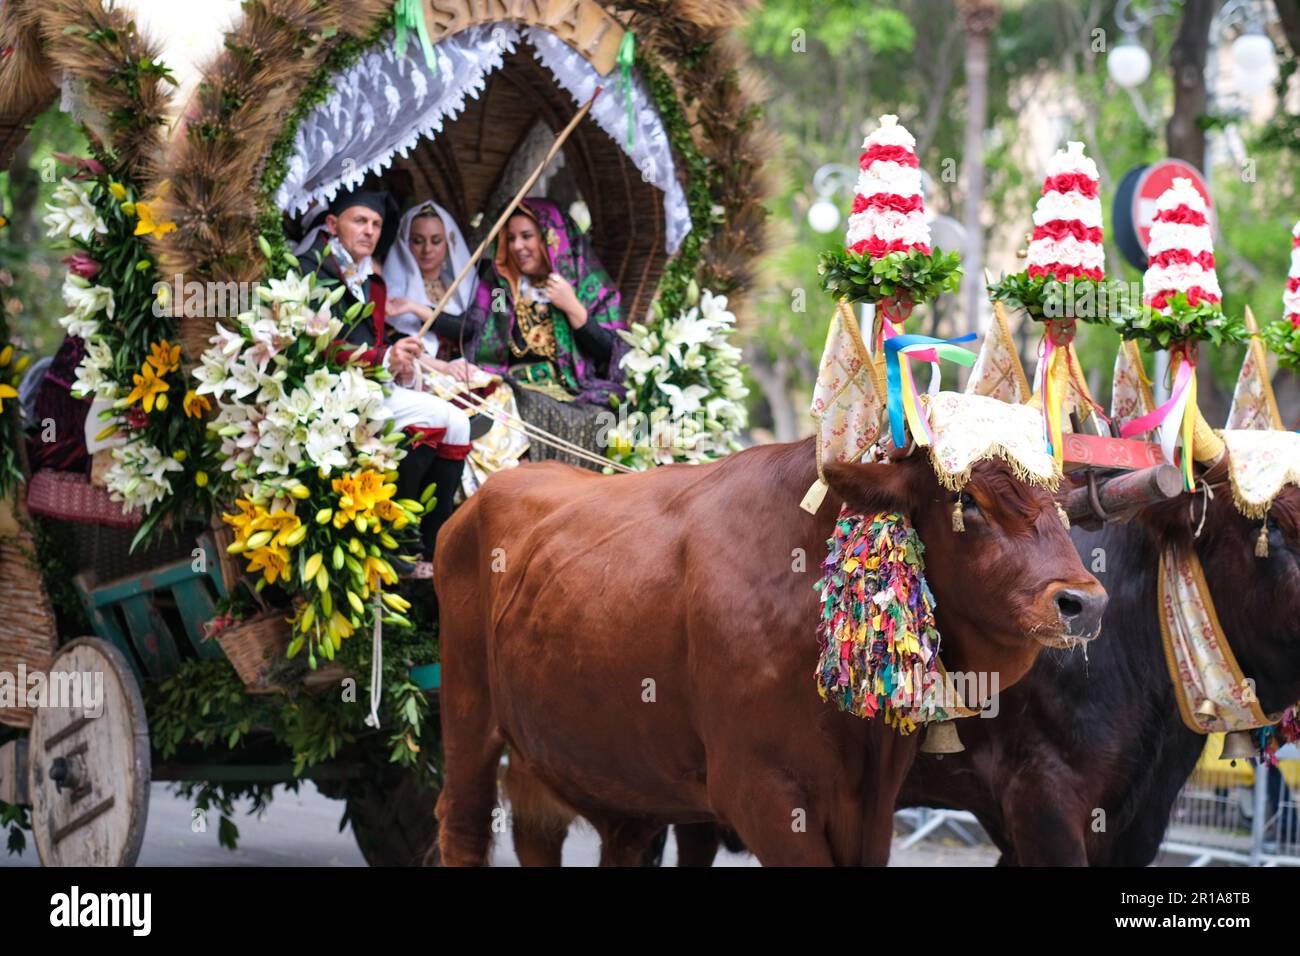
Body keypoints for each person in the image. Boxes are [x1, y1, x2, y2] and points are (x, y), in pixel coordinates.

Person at [295, 186, 470, 577]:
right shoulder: (308, 269)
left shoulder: (372, 281)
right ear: (331, 224)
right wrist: (382, 358)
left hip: (369, 387)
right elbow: (316, 344)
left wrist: (399, 363)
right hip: (328, 393)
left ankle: (432, 543)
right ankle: (400, 542)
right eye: (360, 221)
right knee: (412, 428)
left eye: (376, 224)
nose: (369, 230)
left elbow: (374, 345)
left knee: (457, 424)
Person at [464, 197, 629, 466]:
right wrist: (505, 301)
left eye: (527, 236)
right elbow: (481, 330)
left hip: (574, 389)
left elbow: (615, 353)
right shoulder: (498, 286)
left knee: (601, 419)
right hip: (514, 385)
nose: (518, 246)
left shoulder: (585, 283)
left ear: (552, 238)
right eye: (511, 238)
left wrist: (573, 307)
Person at [384, 201, 529, 496]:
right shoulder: (389, 285)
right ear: (404, 242)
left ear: (448, 243)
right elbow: (389, 343)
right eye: (417, 240)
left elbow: (474, 327)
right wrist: (442, 367)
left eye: (436, 241)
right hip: (418, 371)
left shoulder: (463, 284)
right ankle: (472, 488)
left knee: (498, 391)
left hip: (459, 368)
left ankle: (506, 481)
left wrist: (417, 308)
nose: (427, 250)